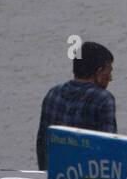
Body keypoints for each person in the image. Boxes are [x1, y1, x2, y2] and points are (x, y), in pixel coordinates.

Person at [35, 41, 116, 171]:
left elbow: (42, 144)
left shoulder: (53, 93)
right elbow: (108, 151)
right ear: (99, 72)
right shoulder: (103, 99)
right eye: (109, 72)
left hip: (54, 177)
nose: (111, 78)